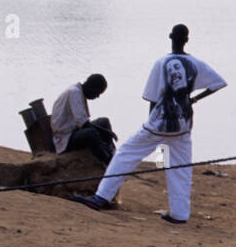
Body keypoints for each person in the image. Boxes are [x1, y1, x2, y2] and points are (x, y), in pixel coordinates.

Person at [74, 24, 226, 224]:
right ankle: (180, 214)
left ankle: (101, 197)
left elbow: (153, 99)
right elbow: (218, 83)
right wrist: (194, 99)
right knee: (181, 168)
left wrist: (150, 123)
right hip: (183, 124)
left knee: (126, 153)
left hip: (159, 122)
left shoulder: (161, 63)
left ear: (170, 37)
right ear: (187, 40)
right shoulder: (196, 64)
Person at [51, 74, 116, 164]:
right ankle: (107, 161)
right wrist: (105, 132)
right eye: (97, 93)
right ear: (91, 87)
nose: (97, 97)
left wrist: (105, 132)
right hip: (65, 138)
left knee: (104, 121)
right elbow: (84, 124)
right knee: (91, 133)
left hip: (74, 130)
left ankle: (111, 153)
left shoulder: (78, 92)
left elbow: (84, 123)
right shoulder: (74, 92)